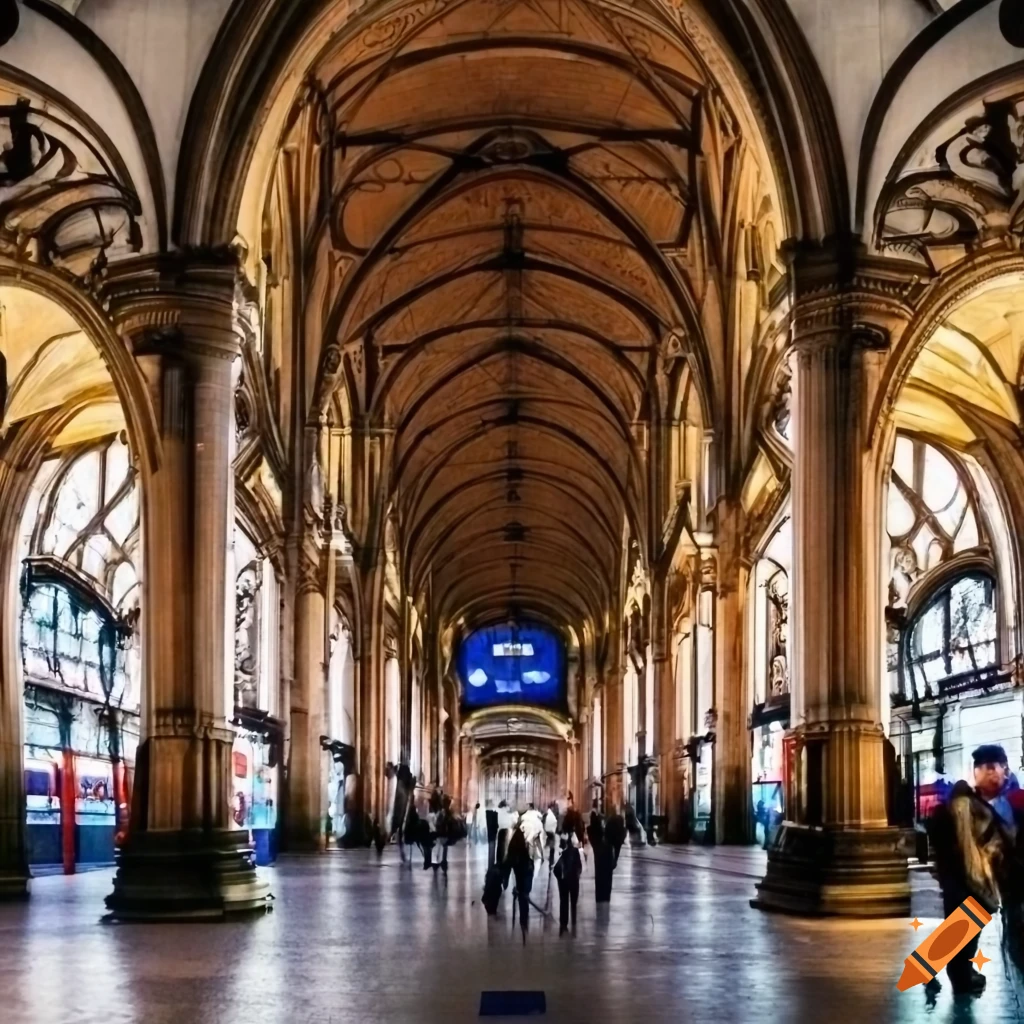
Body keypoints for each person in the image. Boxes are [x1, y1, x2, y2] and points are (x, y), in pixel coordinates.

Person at [928, 744, 1017, 997]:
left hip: (991, 884)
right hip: (966, 882)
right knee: (962, 938)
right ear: (976, 772)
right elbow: (946, 841)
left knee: (967, 937)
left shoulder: (1009, 802)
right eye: (987, 768)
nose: (994, 774)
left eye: (998, 768)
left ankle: (944, 971)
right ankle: (956, 979)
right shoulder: (961, 804)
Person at [505, 825, 535, 944]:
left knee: (523, 898)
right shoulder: (523, 852)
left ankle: (523, 922)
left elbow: (507, 866)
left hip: (522, 876)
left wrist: (506, 882)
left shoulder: (513, 851)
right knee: (524, 898)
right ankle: (524, 922)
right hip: (526, 875)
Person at [554, 831, 583, 934]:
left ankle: (563, 925)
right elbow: (580, 867)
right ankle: (573, 924)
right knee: (573, 904)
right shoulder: (575, 852)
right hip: (574, 882)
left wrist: (560, 878)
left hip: (563, 883)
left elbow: (555, 870)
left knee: (564, 902)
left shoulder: (559, 854)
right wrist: (577, 875)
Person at [496, 800, 513, 867]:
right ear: (505, 806)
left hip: (500, 830)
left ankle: (499, 861)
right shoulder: (506, 812)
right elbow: (511, 822)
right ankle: (504, 861)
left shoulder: (498, 812)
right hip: (506, 830)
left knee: (499, 846)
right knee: (505, 846)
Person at [543, 803, 558, 869]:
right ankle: (551, 861)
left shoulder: (547, 814)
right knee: (551, 847)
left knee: (546, 846)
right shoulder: (550, 815)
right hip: (550, 832)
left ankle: (546, 858)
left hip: (547, 832)